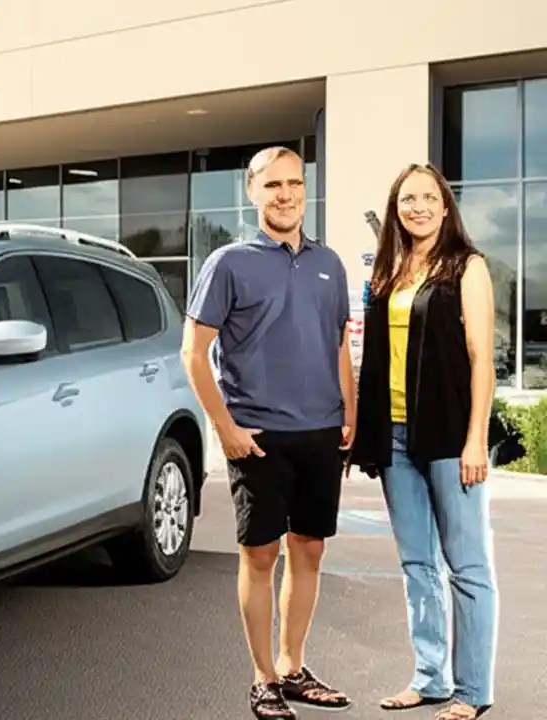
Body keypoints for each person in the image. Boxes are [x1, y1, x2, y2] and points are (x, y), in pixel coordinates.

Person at [181, 146, 355, 719]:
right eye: (272, 185)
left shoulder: (330, 262)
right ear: (251, 192)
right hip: (257, 436)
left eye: (294, 184)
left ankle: (293, 665)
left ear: (306, 190)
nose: (285, 195)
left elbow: (338, 347)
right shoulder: (228, 262)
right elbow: (194, 353)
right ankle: (262, 678)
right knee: (261, 557)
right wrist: (224, 426)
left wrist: (348, 415)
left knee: (310, 550)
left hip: (321, 432)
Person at [349, 163, 499, 720]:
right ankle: (431, 677)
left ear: (444, 205)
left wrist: (475, 440)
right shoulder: (390, 267)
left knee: (467, 565)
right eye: (407, 198)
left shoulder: (467, 266)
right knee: (417, 563)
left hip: (448, 433)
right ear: (396, 208)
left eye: (427, 198)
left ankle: (473, 690)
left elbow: (482, 359)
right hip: (392, 433)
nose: (417, 207)